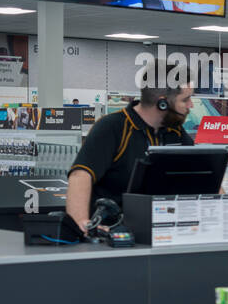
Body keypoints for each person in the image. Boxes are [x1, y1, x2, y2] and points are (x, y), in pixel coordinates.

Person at [66, 83, 195, 231]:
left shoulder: (176, 132)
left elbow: (206, 177)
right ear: (162, 103)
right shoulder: (112, 127)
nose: (190, 105)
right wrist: (81, 224)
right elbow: (80, 176)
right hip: (113, 236)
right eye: (185, 100)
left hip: (162, 232)